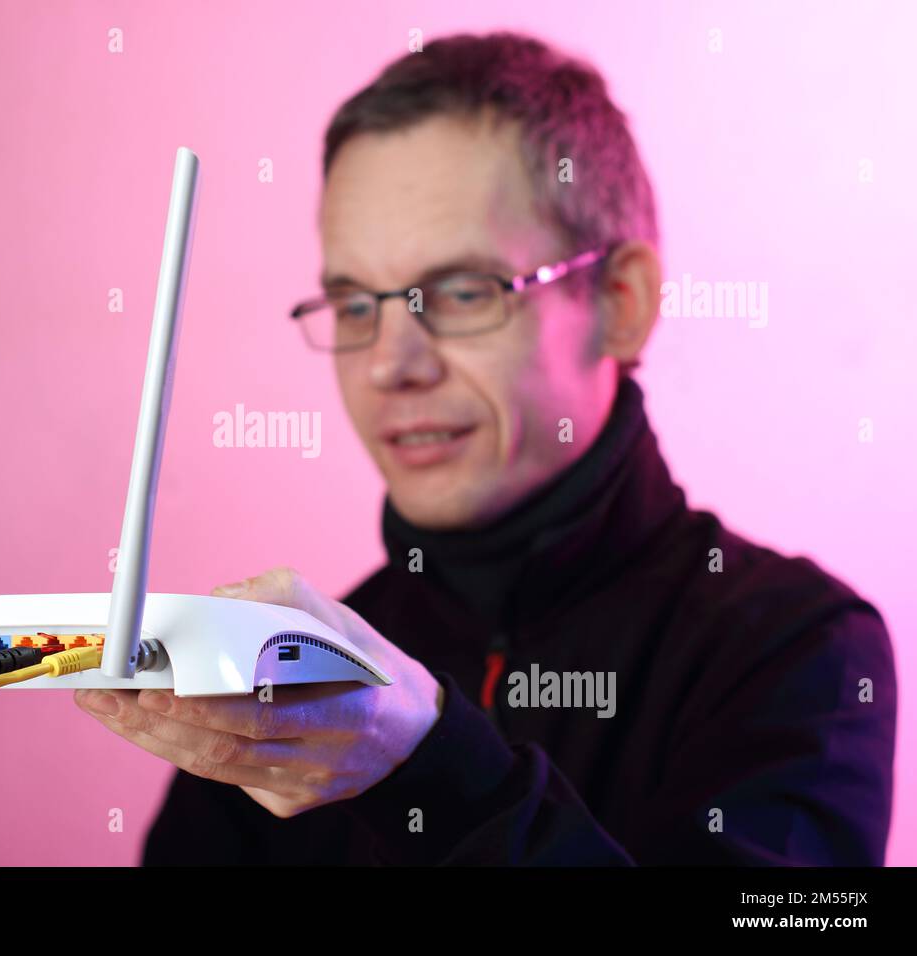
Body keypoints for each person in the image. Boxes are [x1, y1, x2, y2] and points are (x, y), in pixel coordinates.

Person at [73, 31, 896, 865]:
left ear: (621, 301)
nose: (391, 364)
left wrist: (425, 763)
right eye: (356, 306)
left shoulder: (798, 649)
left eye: (463, 292)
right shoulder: (282, 675)